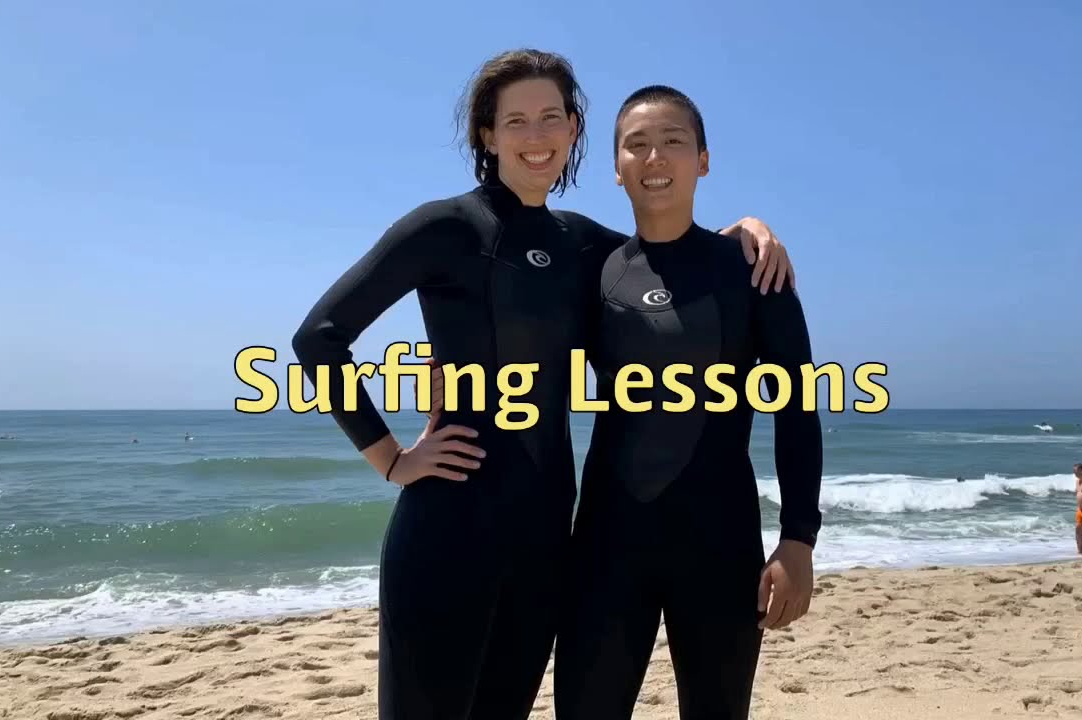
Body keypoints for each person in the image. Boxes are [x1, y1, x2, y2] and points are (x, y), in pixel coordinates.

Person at [291, 49, 796, 720]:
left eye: (551, 118)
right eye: (517, 121)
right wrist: (390, 459)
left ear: (574, 130)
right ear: (487, 134)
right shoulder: (445, 227)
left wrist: (746, 233)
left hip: (545, 542)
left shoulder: (584, 244)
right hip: (448, 532)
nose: (536, 137)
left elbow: (674, 252)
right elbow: (319, 336)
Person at [551, 85, 823, 720]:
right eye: (636, 145)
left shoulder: (753, 270)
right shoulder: (594, 269)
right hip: (605, 544)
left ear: (703, 160)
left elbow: (798, 409)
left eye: (673, 142)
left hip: (719, 541)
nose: (655, 158)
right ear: (616, 168)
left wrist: (799, 539)